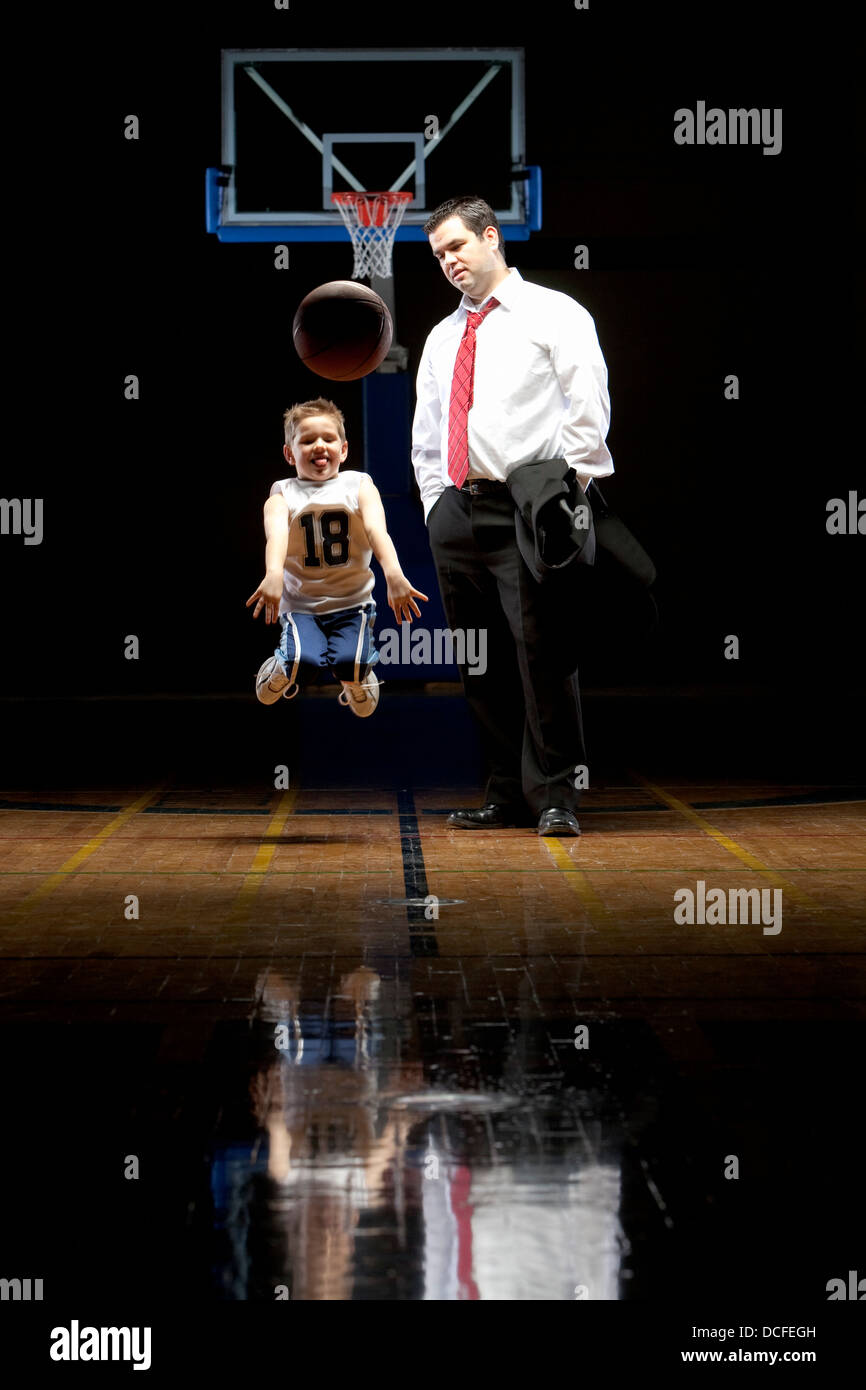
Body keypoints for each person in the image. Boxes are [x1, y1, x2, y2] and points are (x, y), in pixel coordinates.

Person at [412, 196, 614, 833]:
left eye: (456, 246)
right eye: (438, 254)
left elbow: (589, 409)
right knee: (480, 660)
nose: (448, 262)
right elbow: (428, 430)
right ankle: (504, 793)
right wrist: (432, 505)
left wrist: (566, 494)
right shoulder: (444, 336)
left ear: (491, 237)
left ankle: (555, 795)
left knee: (542, 657)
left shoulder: (554, 313)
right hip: (456, 513)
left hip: (531, 509)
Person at [248, 397, 427, 717]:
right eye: (307, 440)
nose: (319, 445)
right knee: (305, 665)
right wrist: (273, 573)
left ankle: (356, 677)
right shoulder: (282, 493)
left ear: (343, 449)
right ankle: (282, 664)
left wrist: (394, 574)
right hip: (302, 605)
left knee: (349, 664)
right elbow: (277, 535)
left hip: (352, 604)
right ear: (290, 454)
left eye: (328, 439)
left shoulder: (358, 485)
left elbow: (376, 531)